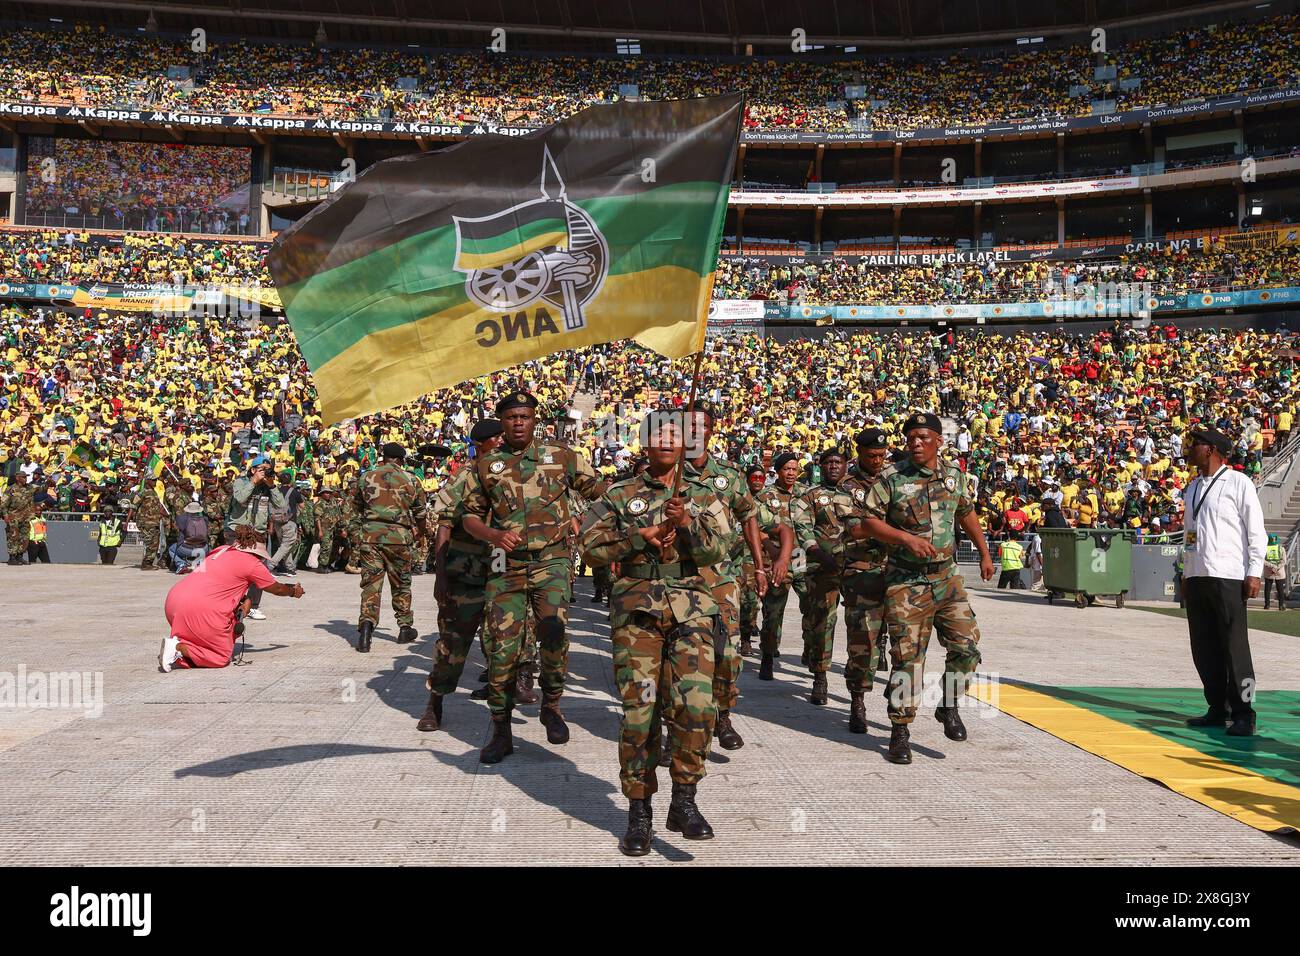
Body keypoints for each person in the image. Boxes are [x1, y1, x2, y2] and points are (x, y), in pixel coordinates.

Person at [581, 410, 730, 856]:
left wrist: (686, 522)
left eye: (674, 433)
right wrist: (639, 537)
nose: (666, 440)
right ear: (642, 445)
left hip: (692, 608)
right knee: (639, 714)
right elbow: (590, 548)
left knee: (699, 706)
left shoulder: (702, 495)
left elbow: (720, 548)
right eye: (657, 434)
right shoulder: (619, 494)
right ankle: (639, 810)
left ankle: (684, 799)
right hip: (638, 610)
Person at [461, 391, 606, 765]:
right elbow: (468, 517)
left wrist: (583, 527)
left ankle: (552, 706)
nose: (519, 423)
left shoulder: (561, 456)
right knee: (502, 648)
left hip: (552, 561)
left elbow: (601, 494)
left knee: (554, 633)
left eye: (525, 416)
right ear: (503, 422)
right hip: (504, 566)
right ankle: (501, 728)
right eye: (511, 418)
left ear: (534, 419)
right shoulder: (485, 465)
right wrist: (492, 535)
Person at [851, 412, 995, 765]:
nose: (916, 442)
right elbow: (863, 523)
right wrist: (904, 539)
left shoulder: (953, 477)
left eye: (923, 437)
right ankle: (900, 730)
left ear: (938, 442)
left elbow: (966, 512)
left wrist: (985, 552)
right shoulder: (891, 478)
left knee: (967, 647)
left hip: (947, 579)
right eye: (911, 437)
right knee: (908, 659)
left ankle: (947, 703)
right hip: (906, 581)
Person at [682, 404, 790, 750]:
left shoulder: (728, 474)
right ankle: (677, 727)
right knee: (681, 658)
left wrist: (759, 566)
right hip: (678, 579)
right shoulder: (667, 474)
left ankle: (723, 717)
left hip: (722, 579)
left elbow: (749, 520)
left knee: (726, 654)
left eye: (704, 426)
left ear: (713, 431)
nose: (697, 432)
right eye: (691, 425)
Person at [1180, 426, 1266, 736]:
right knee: (1203, 647)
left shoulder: (1238, 482)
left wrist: (1254, 570)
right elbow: (1190, 535)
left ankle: (1244, 712)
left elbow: (1256, 530)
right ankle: (1217, 708)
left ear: (1212, 450)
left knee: (1235, 648)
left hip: (1228, 575)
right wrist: (1186, 571)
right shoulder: (1192, 488)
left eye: (1197, 444)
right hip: (1199, 574)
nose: (1191, 448)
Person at [419, 420, 504, 732]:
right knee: (452, 646)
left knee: (502, 647)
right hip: (464, 575)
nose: (501, 442)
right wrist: (440, 576)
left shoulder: (513, 471)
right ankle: (435, 703)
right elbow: (444, 525)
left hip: (502, 575)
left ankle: (500, 721)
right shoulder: (463, 477)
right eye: (496, 439)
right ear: (481, 444)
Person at [159, 524, 305, 672]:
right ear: (257, 552)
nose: (261, 560)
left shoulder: (221, 550)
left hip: (174, 602)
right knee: (220, 657)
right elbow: (277, 588)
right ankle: (178, 648)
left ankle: (183, 646)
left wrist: (246, 600)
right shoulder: (252, 563)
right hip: (199, 609)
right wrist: (293, 592)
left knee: (240, 605)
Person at [835, 427, 891, 734]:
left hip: (897, 571)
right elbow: (856, 528)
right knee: (862, 643)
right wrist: (895, 530)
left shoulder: (895, 479)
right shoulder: (846, 486)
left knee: (907, 644)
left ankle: (899, 708)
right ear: (859, 454)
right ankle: (857, 700)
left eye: (882, 455)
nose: (878, 461)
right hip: (862, 570)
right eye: (871, 456)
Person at [352, 442, 427, 652]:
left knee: (371, 585)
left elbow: (355, 508)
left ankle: (366, 629)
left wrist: (358, 533)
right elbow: (420, 513)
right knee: (401, 583)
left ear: (383, 457)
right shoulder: (411, 479)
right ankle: (404, 628)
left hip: (370, 537)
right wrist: (420, 532)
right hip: (399, 538)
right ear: (401, 460)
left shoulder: (366, 477)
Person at [795, 448, 848, 706]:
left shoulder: (858, 494)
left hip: (856, 568)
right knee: (823, 622)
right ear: (820, 466)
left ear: (846, 465)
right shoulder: (811, 496)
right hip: (823, 568)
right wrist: (815, 550)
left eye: (838, 462)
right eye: (828, 463)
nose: (833, 467)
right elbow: (802, 527)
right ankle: (821, 675)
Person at [757, 452, 812, 681]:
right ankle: (768, 655)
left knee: (810, 604)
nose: (790, 473)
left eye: (794, 469)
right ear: (778, 471)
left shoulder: (806, 493)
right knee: (773, 611)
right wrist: (771, 550)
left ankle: (811, 649)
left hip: (800, 555)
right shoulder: (765, 495)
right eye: (786, 469)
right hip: (778, 556)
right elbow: (756, 528)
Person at [226, 457, 286, 620]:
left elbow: (281, 505)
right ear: (253, 470)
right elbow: (240, 498)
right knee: (234, 570)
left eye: (268, 469)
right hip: (237, 531)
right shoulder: (240, 482)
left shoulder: (268, 486)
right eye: (262, 469)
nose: (266, 472)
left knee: (259, 570)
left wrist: (272, 485)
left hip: (258, 533)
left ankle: (253, 605)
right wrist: (253, 481)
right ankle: (231, 602)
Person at [168, 501, 210, 573]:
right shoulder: (205, 519)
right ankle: (198, 563)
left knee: (171, 549)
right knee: (208, 546)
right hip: (203, 548)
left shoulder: (182, 519)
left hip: (187, 548)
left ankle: (181, 564)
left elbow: (176, 527)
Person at [1263, 533, 1289, 611]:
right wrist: (1277, 567)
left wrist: (1271, 566)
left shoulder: (1265, 548)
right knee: (1280, 589)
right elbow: (1284, 561)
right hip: (1279, 571)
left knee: (1267, 589)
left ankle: (1267, 605)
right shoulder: (1281, 548)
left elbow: (1263, 560)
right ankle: (1281, 605)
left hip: (1269, 570)